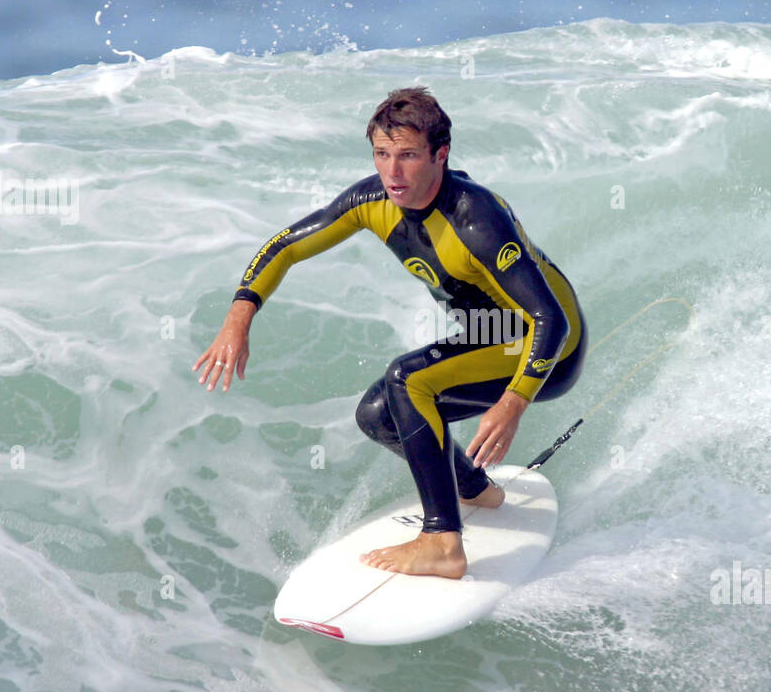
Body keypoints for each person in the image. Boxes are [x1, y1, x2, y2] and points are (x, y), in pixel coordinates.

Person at [193, 87, 586, 578]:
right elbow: (285, 246)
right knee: (379, 414)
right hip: (492, 336)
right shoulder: (373, 200)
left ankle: (443, 543)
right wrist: (239, 317)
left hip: (548, 347)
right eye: (382, 155)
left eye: (408, 156)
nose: (393, 173)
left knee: (407, 379)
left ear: (440, 156)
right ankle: (475, 489)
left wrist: (513, 404)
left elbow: (552, 319)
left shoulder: (475, 218)